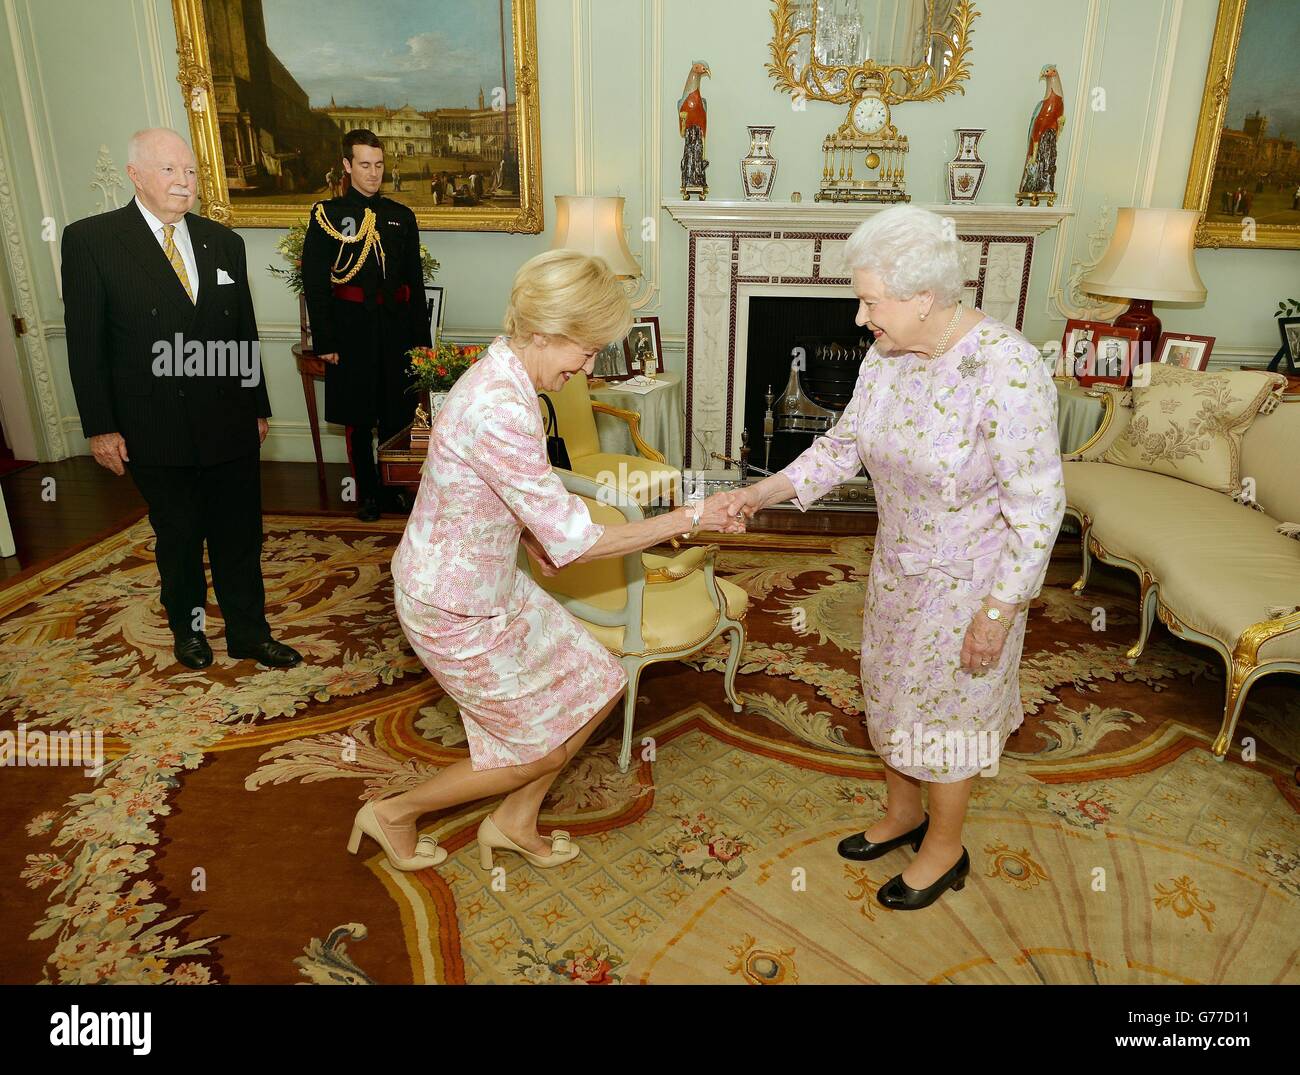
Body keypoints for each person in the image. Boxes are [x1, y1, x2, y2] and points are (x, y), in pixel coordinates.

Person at [348, 250, 743, 871]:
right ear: (541, 333)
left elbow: (503, 488)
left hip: (494, 581)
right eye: (583, 353)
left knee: (600, 683)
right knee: (539, 754)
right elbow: (579, 540)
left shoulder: (511, 377)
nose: (585, 369)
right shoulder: (498, 406)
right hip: (450, 606)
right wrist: (691, 517)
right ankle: (393, 814)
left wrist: (532, 535)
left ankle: (512, 820)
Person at [722, 205, 1065, 910]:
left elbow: (1038, 505)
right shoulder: (887, 356)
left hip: (973, 582)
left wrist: (1000, 610)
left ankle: (944, 847)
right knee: (893, 691)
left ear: (922, 299)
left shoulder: (1006, 366)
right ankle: (904, 813)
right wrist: (768, 489)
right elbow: (845, 445)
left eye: (870, 300)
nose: (859, 316)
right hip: (897, 565)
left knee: (953, 715)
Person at [61, 128, 302, 671]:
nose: (183, 182)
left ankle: (249, 633)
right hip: (153, 422)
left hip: (228, 419)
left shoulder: (224, 242)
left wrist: (257, 405)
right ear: (136, 175)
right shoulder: (92, 241)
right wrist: (100, 427)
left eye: (190, 172)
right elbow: (85, 344)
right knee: (180, 536)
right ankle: (189, 632)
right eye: (169, 170)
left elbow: (244, 331)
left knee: (240, 534)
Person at [301, 129, 431, 521]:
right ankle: (368, 494)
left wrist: (420, 341)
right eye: (364, 166)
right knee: (359, 417)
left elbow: (415, 279)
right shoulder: (327, 215)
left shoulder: (401, 216)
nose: (373, 174)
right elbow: (315, 280)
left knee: (397, 411)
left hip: (395, 330)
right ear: (346, 166)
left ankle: (393, 488)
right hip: (352, 331)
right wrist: (325, 338)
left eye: (378, 166)